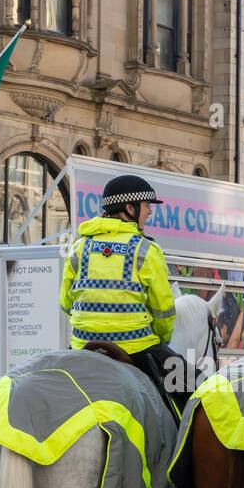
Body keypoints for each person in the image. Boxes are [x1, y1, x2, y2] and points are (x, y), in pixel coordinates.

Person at [59, 174, 183, 411]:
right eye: (146, 206)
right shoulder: (146, 249)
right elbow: (163, 312)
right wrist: (160, 340)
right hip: (135, 346)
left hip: (82, 345)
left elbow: (65, 302)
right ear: (129, 208)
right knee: (194, 388)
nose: (149, 213)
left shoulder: (79, 247)